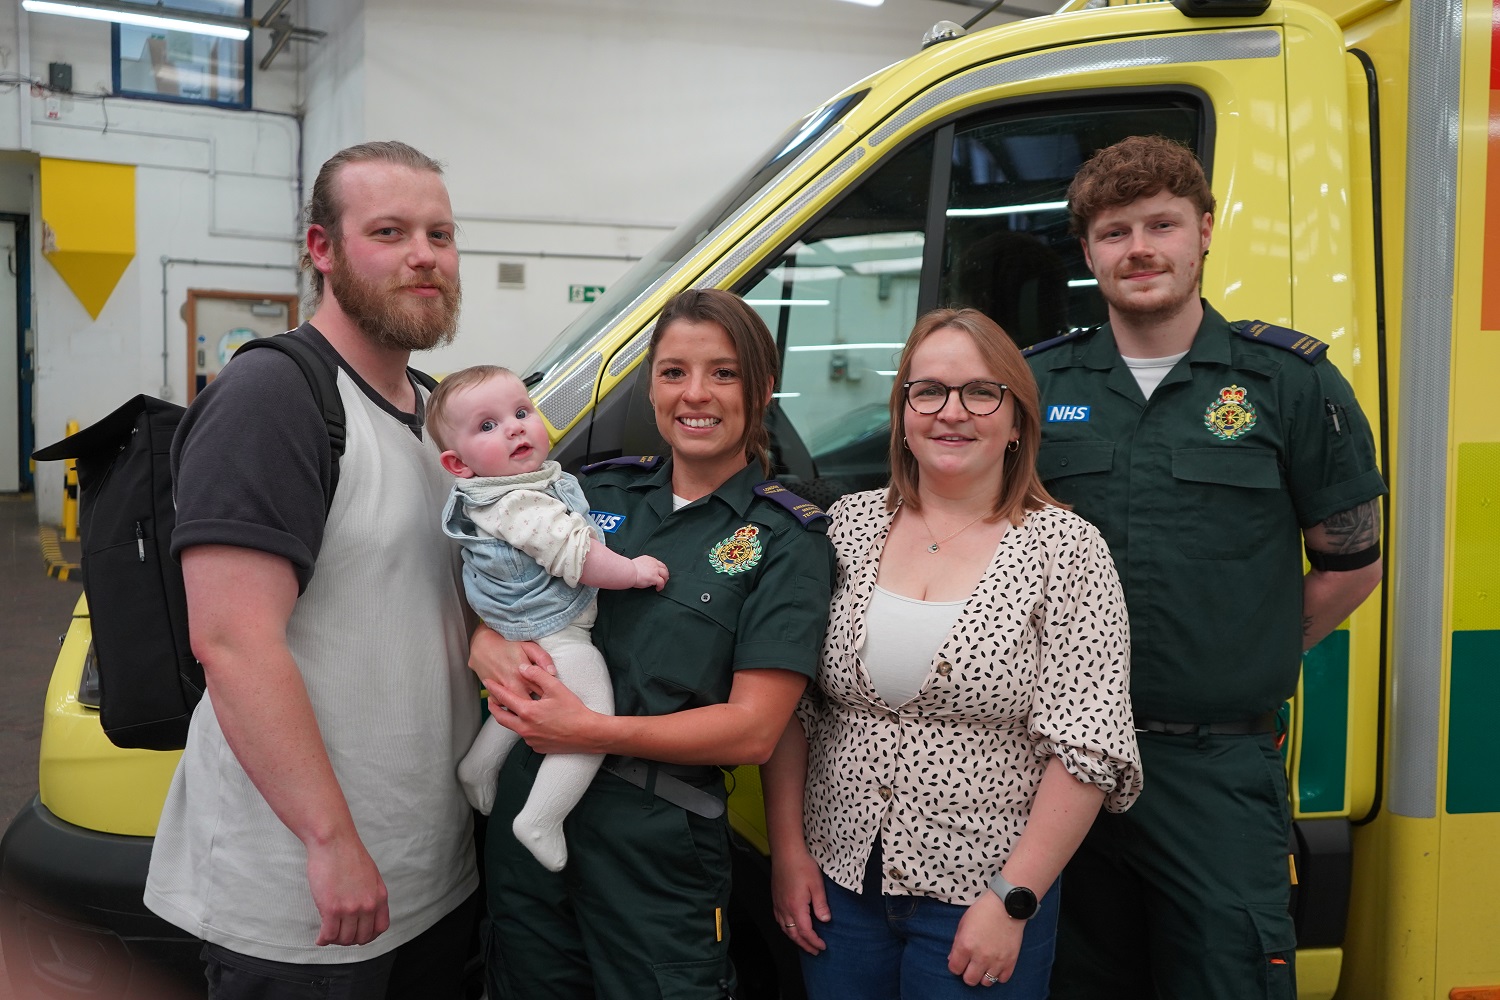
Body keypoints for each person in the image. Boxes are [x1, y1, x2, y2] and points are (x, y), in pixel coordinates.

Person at [1026, 135, 1386, 1000]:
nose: (1139, 247)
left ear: (1206, 232)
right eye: (1115, 232)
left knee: (1228, 981)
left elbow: (1352, 563)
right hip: (1053, 768)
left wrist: (1251, 647)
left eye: (1162, 223)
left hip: (1214, 771)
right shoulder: (1038, 387)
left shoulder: (1290, 383)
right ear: (1089, 252)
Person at [144, 141, 481, 999]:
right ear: (322, 249)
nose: (423, 257)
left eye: (439, 235)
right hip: (301, 897)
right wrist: (331, 842)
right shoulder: (278, 398)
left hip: (428, 877)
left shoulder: (437, 416)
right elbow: (232, 642)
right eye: (390, 231)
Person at [470, 288, 836, 1000]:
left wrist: (591, 730)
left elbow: (756, 729)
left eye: (723, 373)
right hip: (523, 818)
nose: (694, 394)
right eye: (673, 372)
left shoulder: (785, 540)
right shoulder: (584, 494)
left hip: (654, 844)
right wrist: (481, 642)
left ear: (762, 388)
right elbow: (486, 580)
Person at [764, 307, 1142, 999]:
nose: (951, 412)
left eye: (980, 392)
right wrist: (788, 853)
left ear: (1018, 419)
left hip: (982, 895)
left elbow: (1087, 748)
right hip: (837, 887)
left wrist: (1013, 898)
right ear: (904, 411)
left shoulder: (1066, 550)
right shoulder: (843, 528)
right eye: (928, 390)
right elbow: (795, 706)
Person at [425, 364, 669, 872]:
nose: (514, 427)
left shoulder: (504, 489)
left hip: (526, 625)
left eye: (521, 412)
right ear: (457, 463)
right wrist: (635, 571)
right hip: (554, 627)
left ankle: (477, 767)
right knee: (591, 715)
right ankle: (540, 818)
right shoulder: (520, 503)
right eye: (488, 426)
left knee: (525, 697)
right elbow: (580, 559)